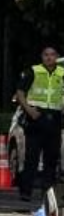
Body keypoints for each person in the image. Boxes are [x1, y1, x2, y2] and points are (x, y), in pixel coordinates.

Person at [14, 46, 64, 202]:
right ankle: (26, 192)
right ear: (42, 57)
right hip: (36, 118)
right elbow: (20, 92)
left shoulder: (62, 74)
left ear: (57, 57)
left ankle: (47, 193)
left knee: (52, 158)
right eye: (46, 55)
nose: (49, 58)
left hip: (55, 118)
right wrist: (29, 110)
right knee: (32, 158)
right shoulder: (34, 71)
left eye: (52, 55)